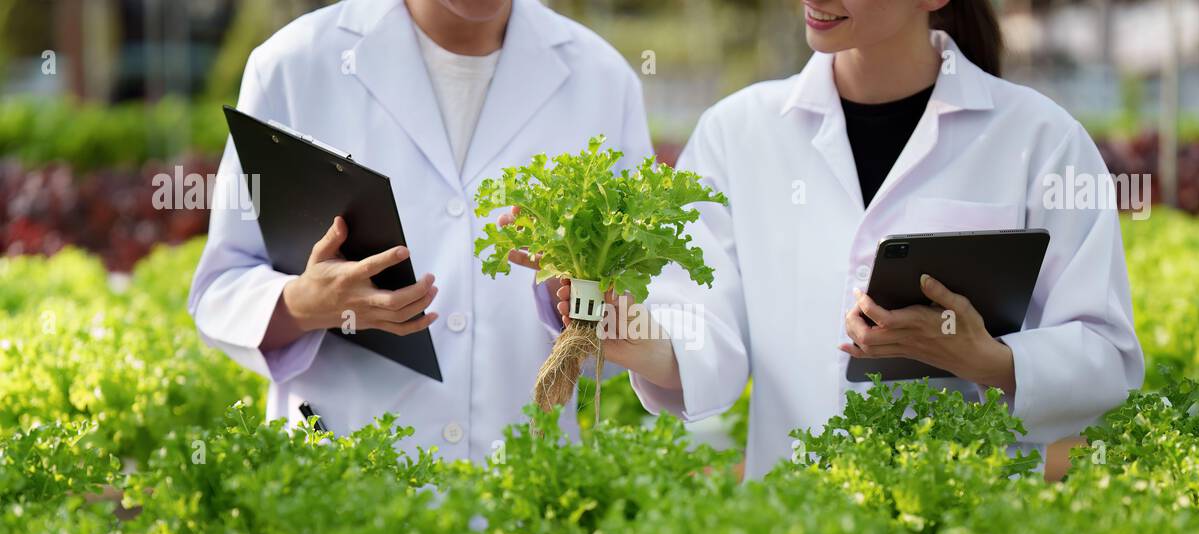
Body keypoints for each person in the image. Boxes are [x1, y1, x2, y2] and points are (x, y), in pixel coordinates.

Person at [560, 0, 1144, 478]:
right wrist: (644, 341)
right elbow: (703, 328)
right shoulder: (736, 133)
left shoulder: (1040, 140)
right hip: (797, 532)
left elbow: (1107, 358)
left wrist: (992, 361)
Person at [189, 0, 652, 459]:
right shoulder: (294, 64)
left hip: (521, 488)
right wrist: (310, 304)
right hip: (344, 482)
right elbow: (221, 291)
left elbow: (640, 317)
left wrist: (574, 294)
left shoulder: (604, 80)